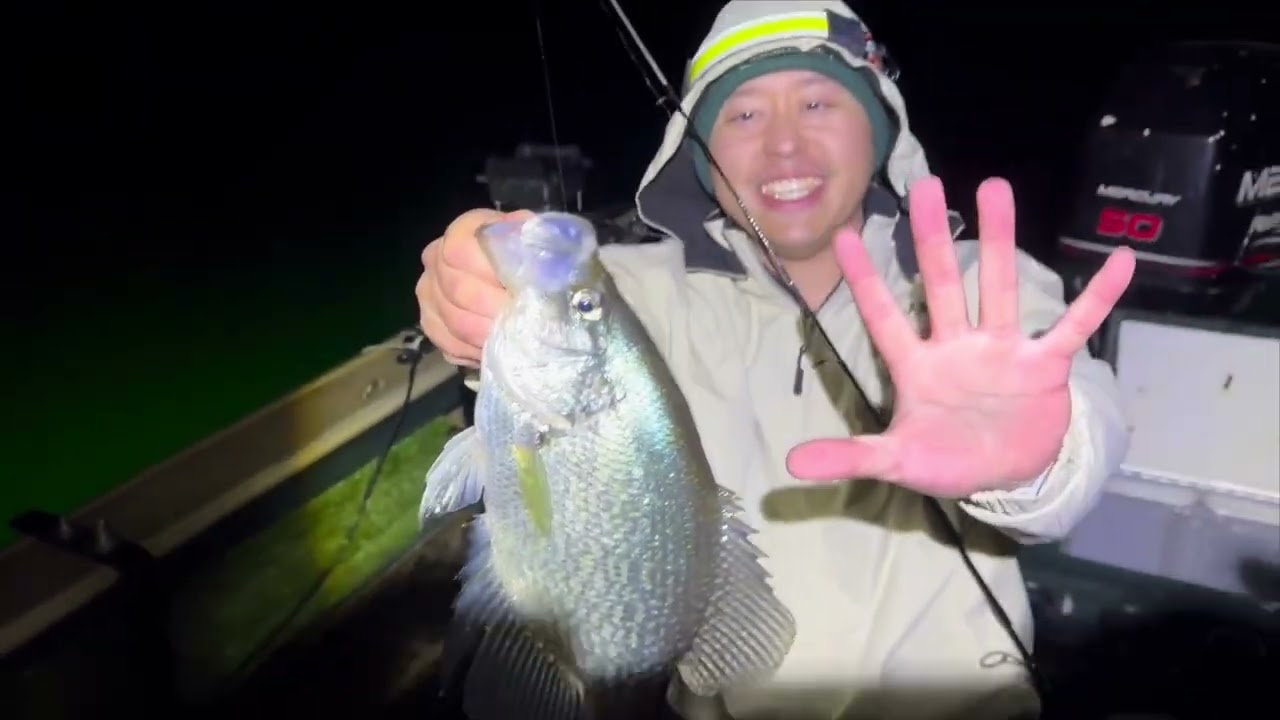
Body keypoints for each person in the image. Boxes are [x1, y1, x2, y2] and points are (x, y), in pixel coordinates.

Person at [415, 1, 1135, 718]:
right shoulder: (636, 292)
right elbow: (522, 296)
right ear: (699, 151)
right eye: (745, 116)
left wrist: (1031, 463)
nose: (784, 146)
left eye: (818, 102)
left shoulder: (980, 288)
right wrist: (472, 270)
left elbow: (1084, 434)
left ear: (881, 129)